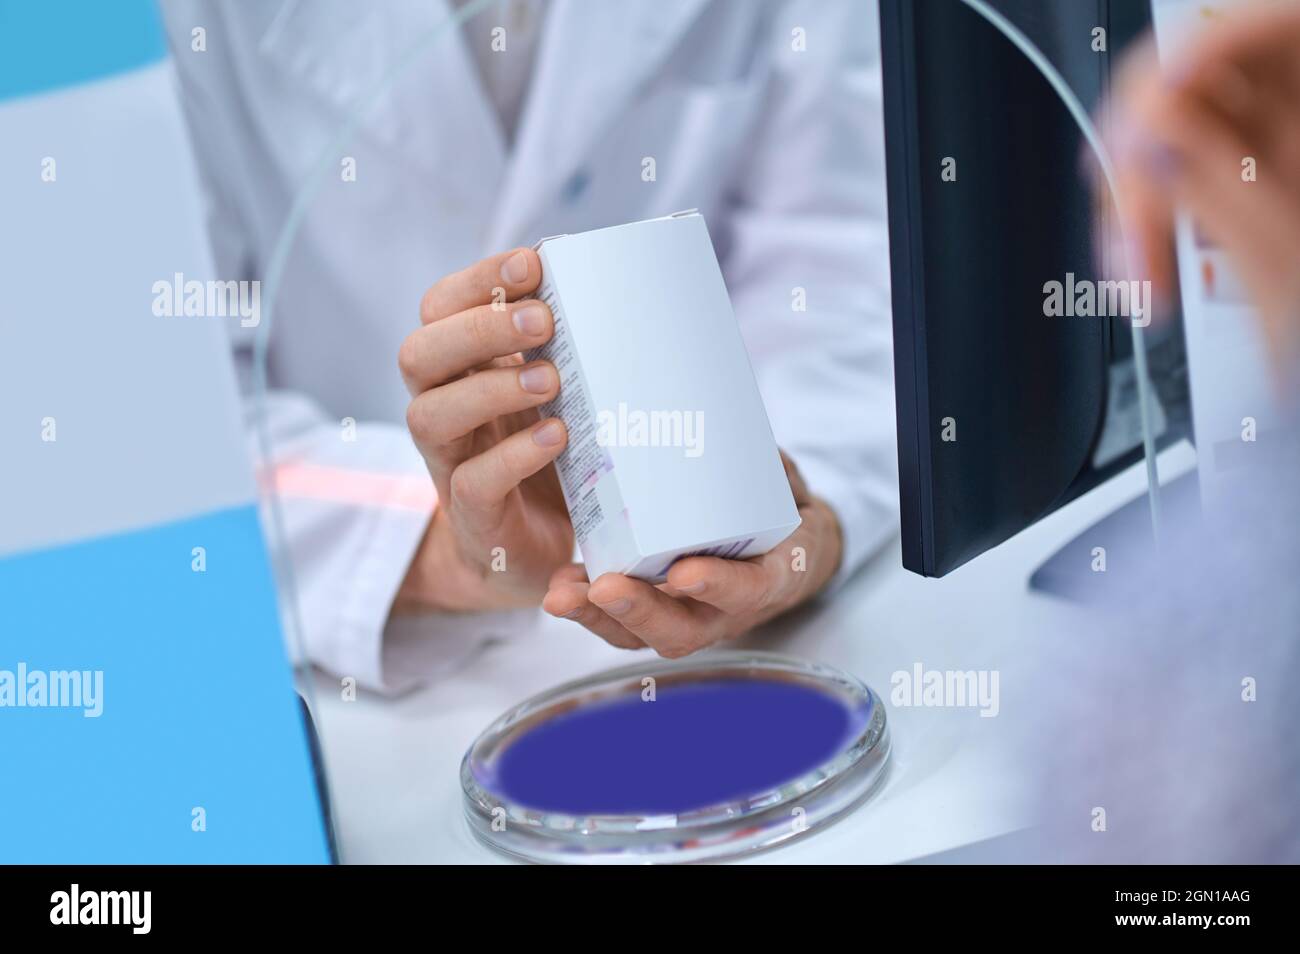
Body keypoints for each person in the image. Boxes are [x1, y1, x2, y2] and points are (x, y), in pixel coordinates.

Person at [162, 0, 896, 691]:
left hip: (783, 646)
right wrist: (437, 548)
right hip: (370, 678)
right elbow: (155, 439)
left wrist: (801, 525)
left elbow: (837, 258)